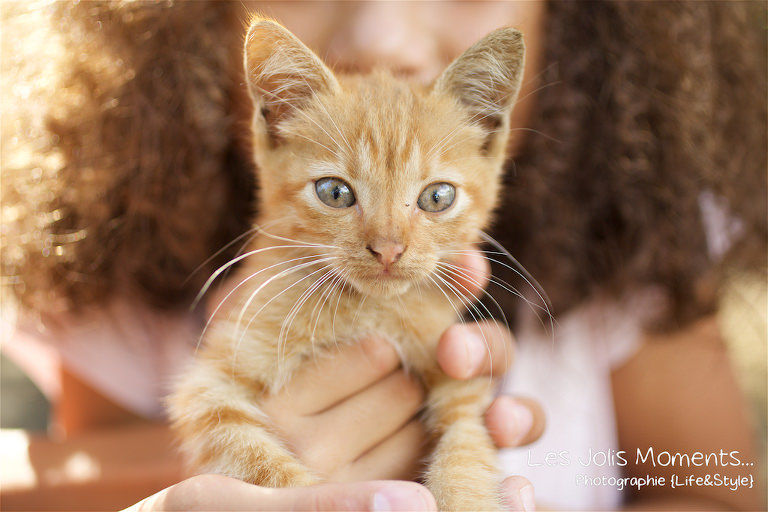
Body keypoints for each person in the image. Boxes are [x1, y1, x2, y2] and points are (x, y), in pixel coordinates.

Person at [1, 1, 765, 511]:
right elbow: (74, 476)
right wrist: (252, 471)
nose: (384, 32)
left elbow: (716, 485)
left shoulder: (633, 257)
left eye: (434, 199)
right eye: (338, 192)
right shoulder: (128, 282)